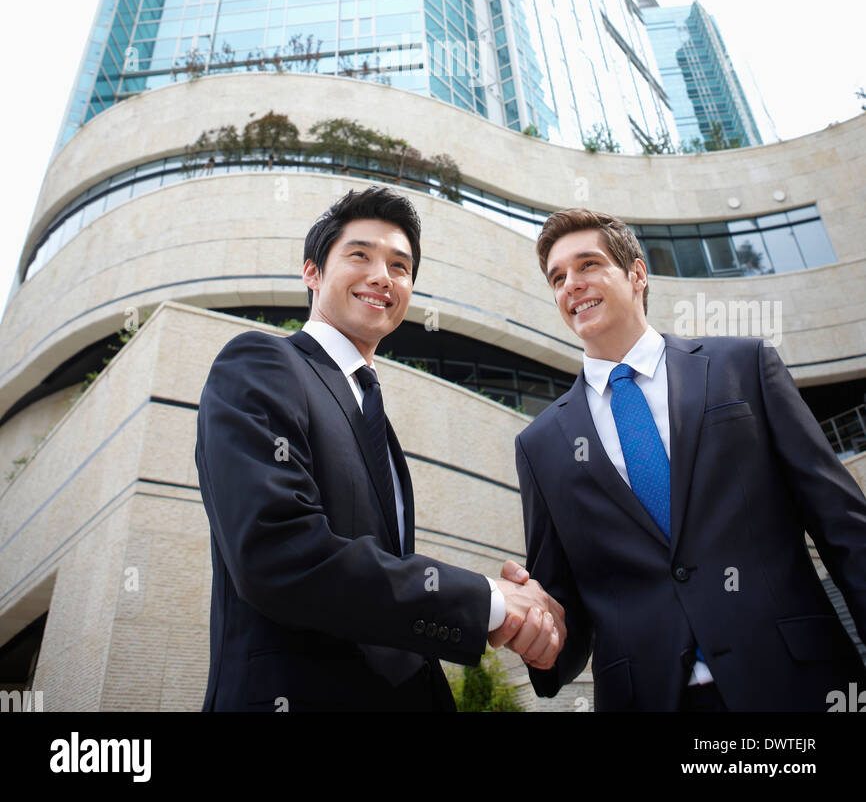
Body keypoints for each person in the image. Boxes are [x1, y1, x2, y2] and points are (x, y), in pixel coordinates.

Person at [195, 185, 564, 712]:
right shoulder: (261, 363)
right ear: (312, 272)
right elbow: (277, 551)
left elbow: (378, 582)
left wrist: (504, 610)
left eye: (400, 266)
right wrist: (488, 601)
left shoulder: (373, 415)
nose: (382, 277)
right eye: (360, 255)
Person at [512, 206, 866, 712]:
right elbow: (564, 617)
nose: (572, 283)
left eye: (588, 265)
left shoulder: (744, 367)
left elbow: (845, 527)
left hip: (799, 684)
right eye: (558, 277)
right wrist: (533, 627)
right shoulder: (539, 444)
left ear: (637, 273)